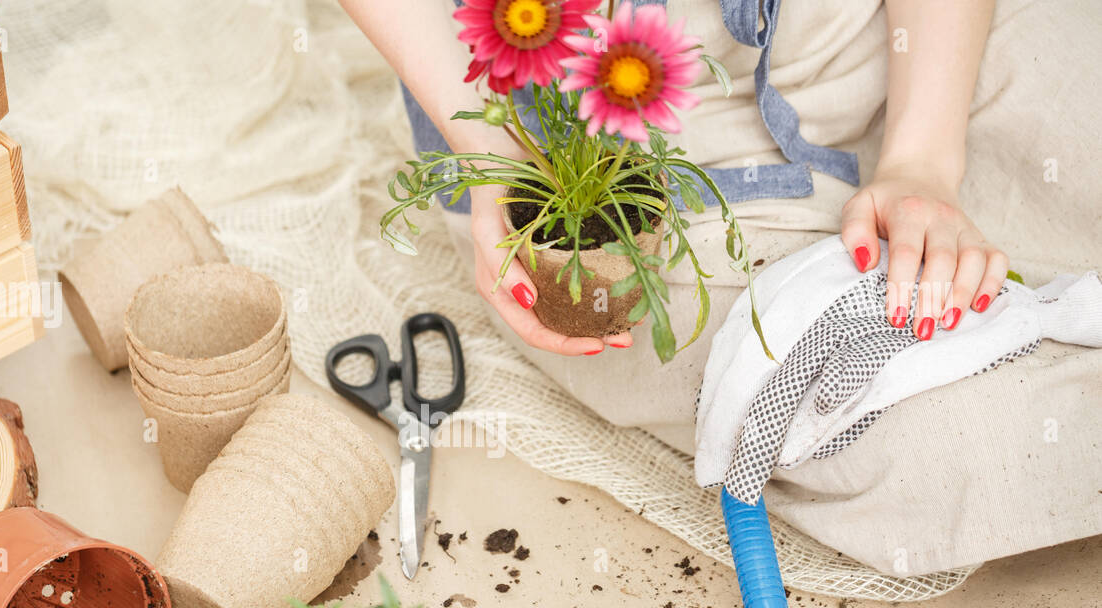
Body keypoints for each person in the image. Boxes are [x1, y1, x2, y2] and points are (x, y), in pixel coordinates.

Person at [342, 0, 1102, 576]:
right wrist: (495, 161)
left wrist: (926, 160)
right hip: (607, 141)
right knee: (959, 445)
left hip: (890, 38)